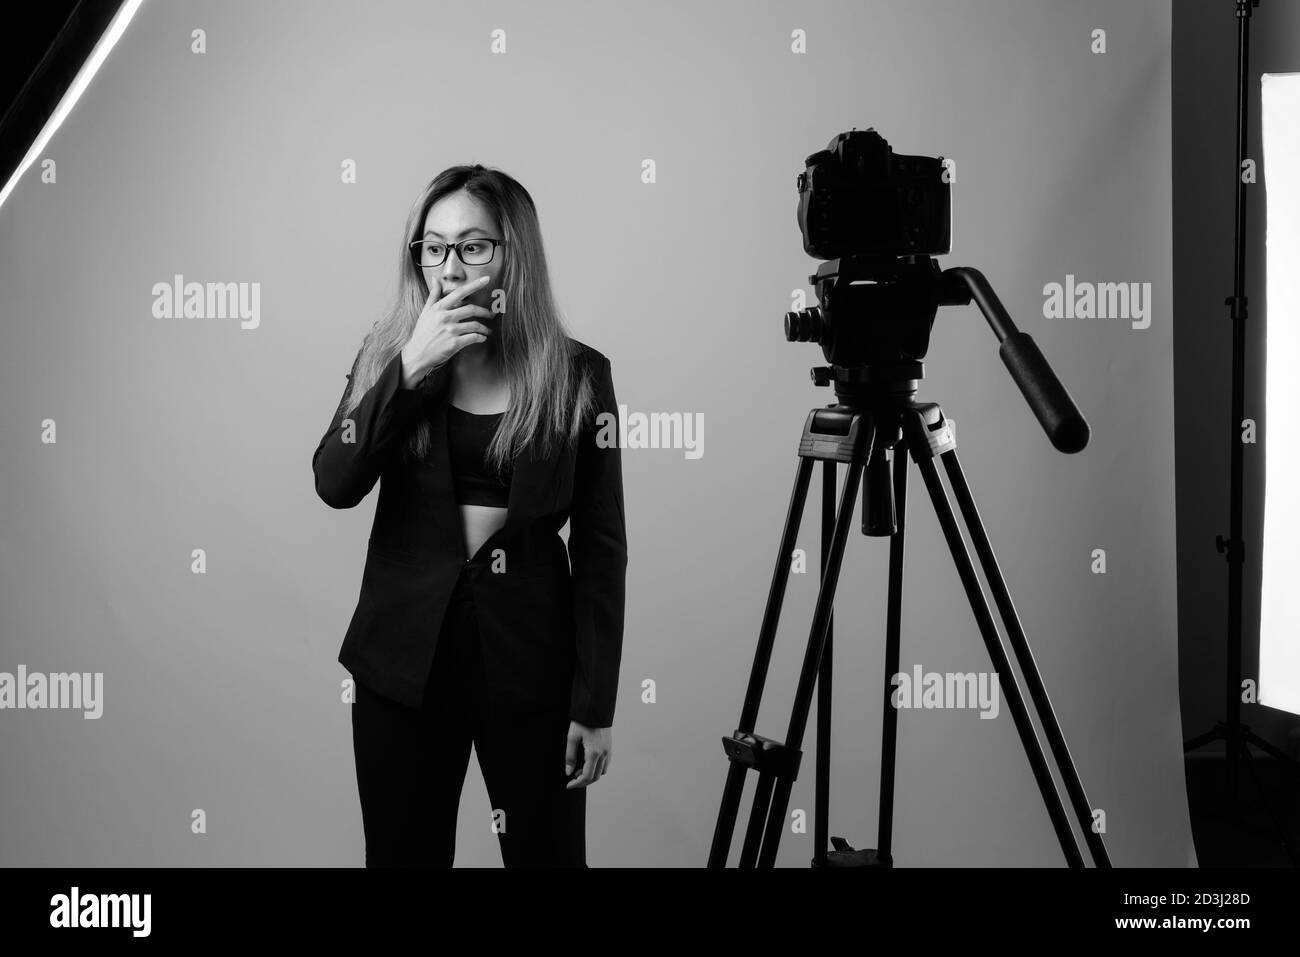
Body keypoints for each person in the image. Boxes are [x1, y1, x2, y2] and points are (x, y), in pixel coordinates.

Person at [311, 164, 628, 867]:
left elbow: (603, 546)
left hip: (532, 669)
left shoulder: (579, 376)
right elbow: (334, 481)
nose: (448, 267)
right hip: (403, 663)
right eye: (433, 247)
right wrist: (409, 368)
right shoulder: (386, 353)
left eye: (473, 246)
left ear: (515, 253)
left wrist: (594, 702)